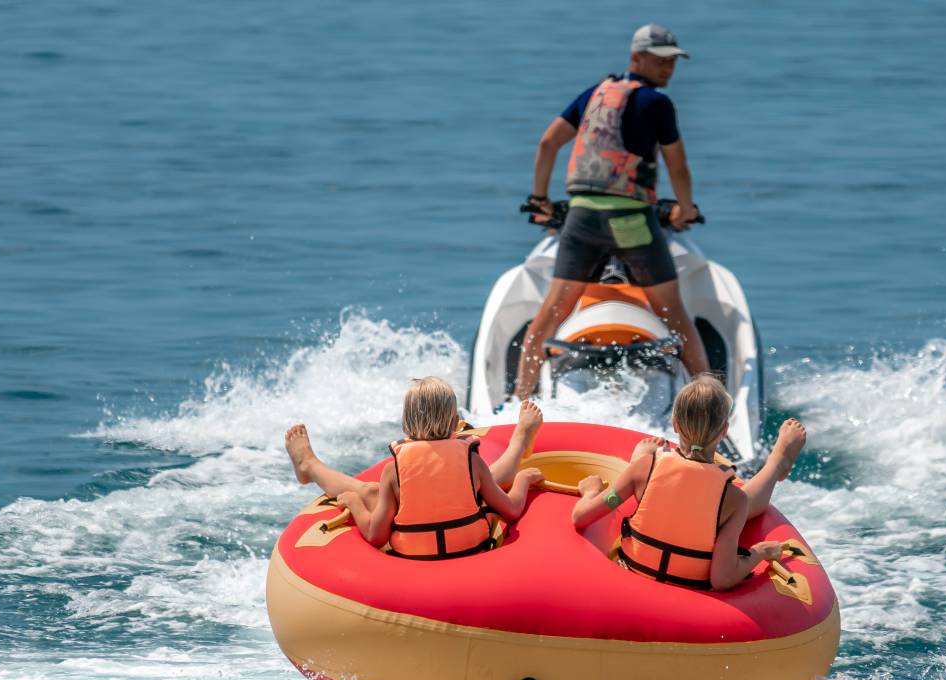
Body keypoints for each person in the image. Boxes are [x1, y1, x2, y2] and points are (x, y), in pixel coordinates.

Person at [515, 23, 709, 400]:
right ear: (637, 58)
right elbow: (678, 166)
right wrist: (685, 208)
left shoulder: (594, 95)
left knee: (550, 313)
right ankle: (712, 406)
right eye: (660, 61)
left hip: (582, 219)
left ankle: (518, 401)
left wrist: (540, 198)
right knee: (675, 316)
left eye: (673, 62)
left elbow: (547, 143)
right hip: (631, 222)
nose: (668, 69)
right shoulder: (657, 103)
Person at [571, 375, 808, 591]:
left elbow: (582, 516)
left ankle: (775, 464)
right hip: (690, 589)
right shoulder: (735, 500)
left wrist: (592, 491)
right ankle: (775, 464)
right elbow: (722, 579)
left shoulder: (644, 467)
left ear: (674, 424)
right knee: (744, 502)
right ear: (724, 431)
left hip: (632, 574)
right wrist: (759, 553)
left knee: (659, 489)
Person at [285, 378, 544, 558]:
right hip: (470, 548)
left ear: (405, 423)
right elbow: (510, 509)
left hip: (414, 554)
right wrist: (522, 479)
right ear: (456, 422)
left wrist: (353, 503)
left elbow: (376, 535)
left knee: (369, 493)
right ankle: (519, 442)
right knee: (484, 482)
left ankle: (310, 466)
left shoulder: (394, 470)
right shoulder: (471, 459)